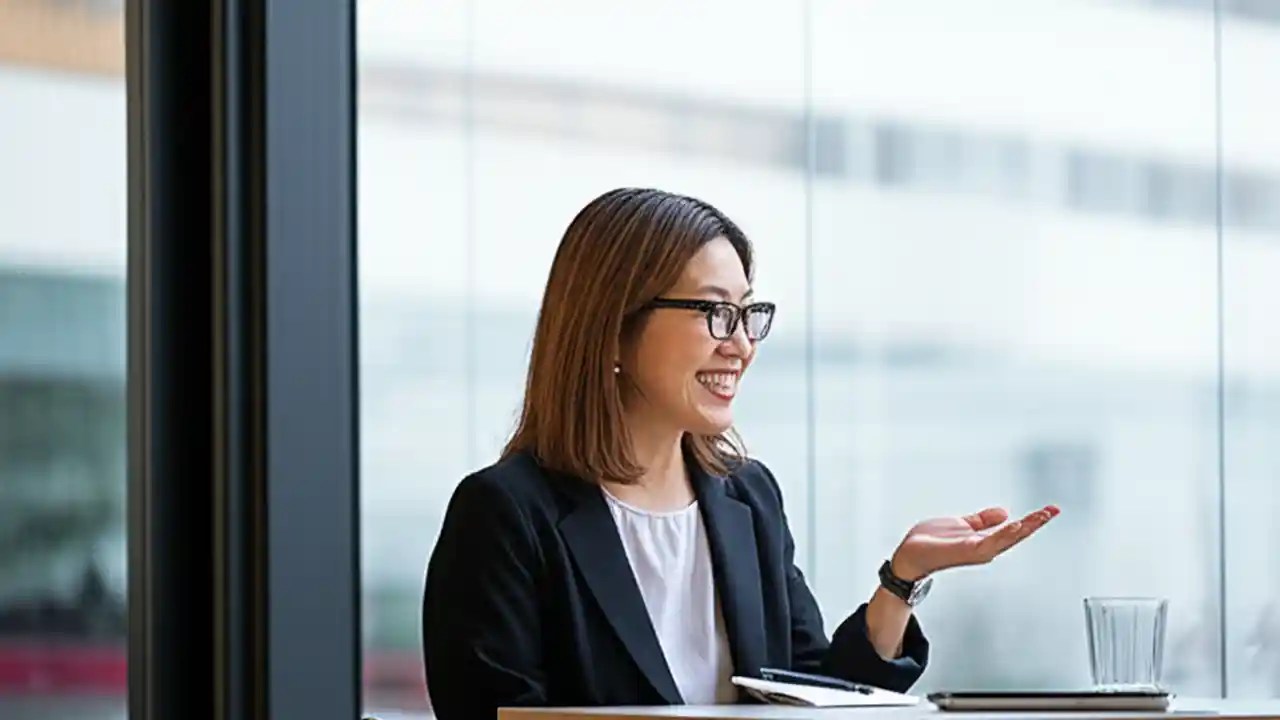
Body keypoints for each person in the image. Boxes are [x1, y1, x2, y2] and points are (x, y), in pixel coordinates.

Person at [422, 187, 1059, 718]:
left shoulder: (747, 499)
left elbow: (813, 694)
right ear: (612, 327)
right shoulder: (505, 514)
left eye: (747, 314)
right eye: (714, 312)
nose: (741, 345)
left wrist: (900, 579)